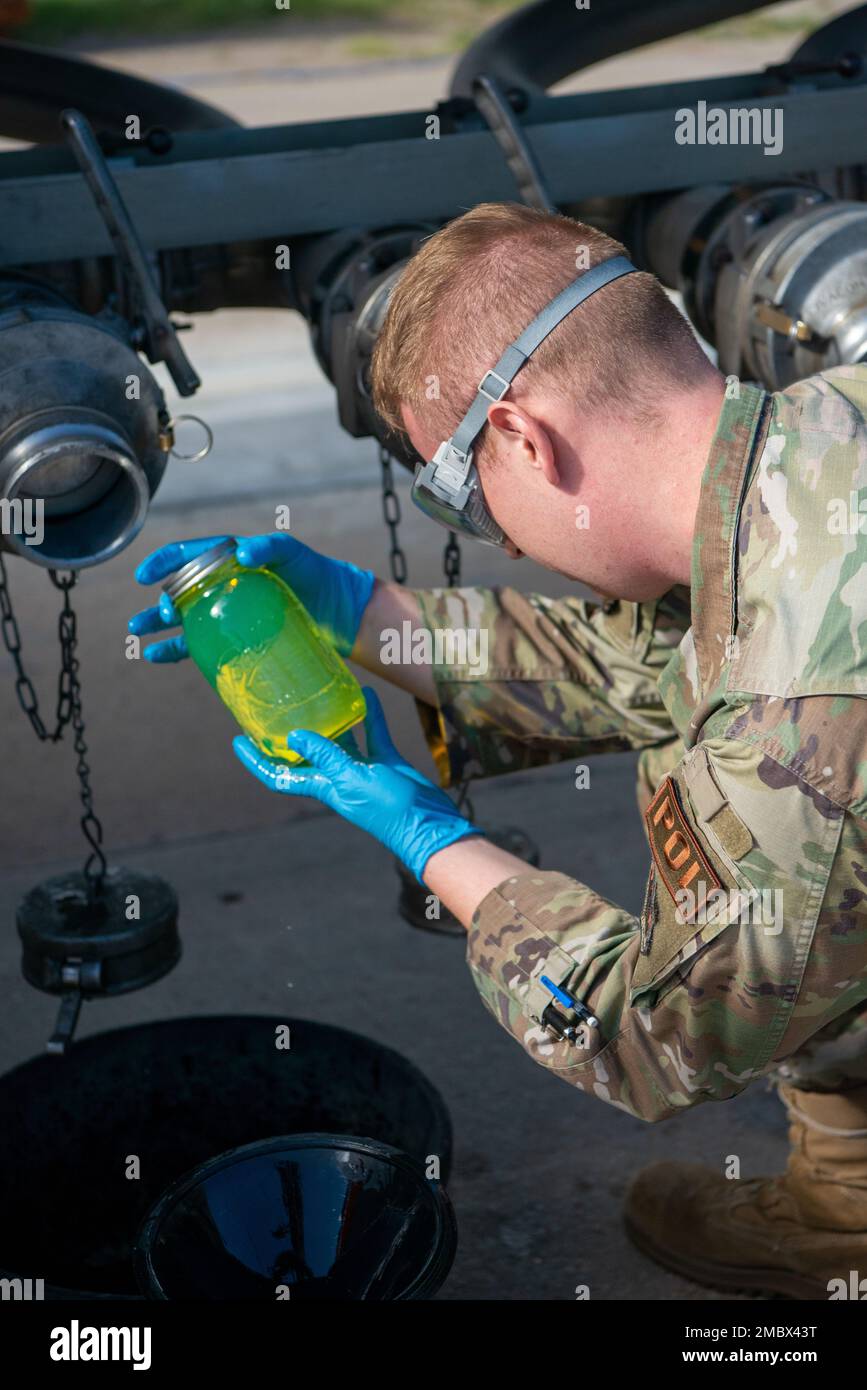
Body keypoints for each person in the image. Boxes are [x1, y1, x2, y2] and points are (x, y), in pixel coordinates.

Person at [130, 202, 867, 1299]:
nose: (502, 537)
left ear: (523, 435)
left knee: (797, 930)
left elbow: (659, 1031)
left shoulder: (793, 726)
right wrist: (364, 611)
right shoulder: (819, 433)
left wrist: (434, 843)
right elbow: (665, 664)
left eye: (461, 494)